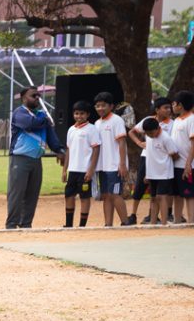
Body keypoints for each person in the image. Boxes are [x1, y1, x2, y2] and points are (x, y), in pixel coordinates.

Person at [4, 86, 64, 229]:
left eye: (38, 95)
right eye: (33, 95)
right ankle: (11, 224)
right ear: (24, 98)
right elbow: (30, 124)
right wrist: (45, 117)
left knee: (32, 194)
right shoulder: (20, 113)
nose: (37, 98)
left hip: (36, 160)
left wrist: (59, 150)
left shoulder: (40, 115)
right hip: (20, 159)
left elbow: (51, 135)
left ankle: (26, 224)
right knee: (17, 193)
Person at [129, 113, 180, 225]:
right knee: (153, 198)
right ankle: (153, 223)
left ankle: (164, 222)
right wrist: (148, 174)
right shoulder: (149, 136)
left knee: (161, 197)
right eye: (147, 133)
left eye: (151, 133)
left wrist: (166, 162)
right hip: (152, 173)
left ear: (158, 128)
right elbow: (150, 157)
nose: (150, 135)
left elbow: (175, 154)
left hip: (164, 173)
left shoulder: (166, 138)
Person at [60, 102, 100, 227]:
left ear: (87, 114)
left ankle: (82, 225)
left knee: (84, 197)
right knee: (69, 195)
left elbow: (96, 150)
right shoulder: (71, 130)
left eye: (82, 113)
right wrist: (64, 170)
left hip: (85, 170)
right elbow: (68, 151)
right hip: (73, 169)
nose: (79, 116)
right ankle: (69, 224)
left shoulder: (92, 129)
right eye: (76, 113)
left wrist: (91, 170)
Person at [93, 92, 130, 226]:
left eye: (103, 105)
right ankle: (108, 224)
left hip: (114, 165)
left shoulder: (116, 120)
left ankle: (125, 222)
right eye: (97, 106)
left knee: (115, 195)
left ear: (111, 106)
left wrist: (122, 163)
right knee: (106, 195)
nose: (100, 108)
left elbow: (121, 142)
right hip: (102, 166)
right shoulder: (97, 123)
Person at [170, 90, 194, 224]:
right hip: (175, 164)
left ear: (180, 105)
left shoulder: (191, 119)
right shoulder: (177, 120)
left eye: (174, 104)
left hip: (186, 164)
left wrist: (188, 164)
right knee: (177, 194)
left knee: (189, 195)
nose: (172, 106)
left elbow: (193, 143)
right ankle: (177, 220)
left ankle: (191, 222)